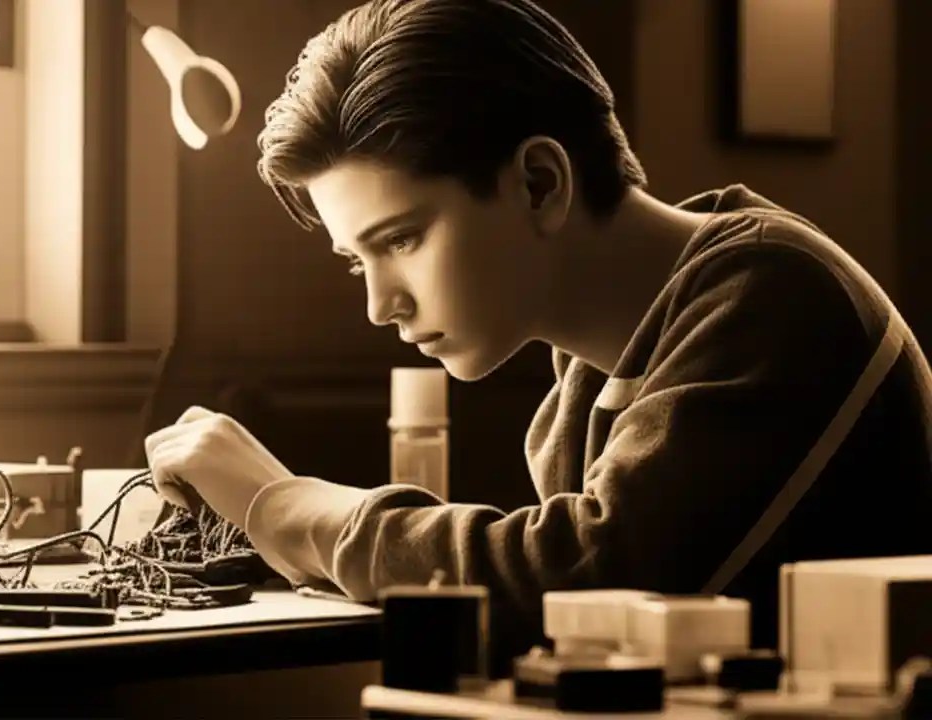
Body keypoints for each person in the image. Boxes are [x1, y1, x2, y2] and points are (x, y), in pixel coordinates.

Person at [143, 0, 932, 671]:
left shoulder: (776, 296)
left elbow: (589, 579)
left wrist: (285, 506)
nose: (381, 306)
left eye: (403, 239)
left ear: (540, 183)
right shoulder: (585, 389)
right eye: (358, 263)